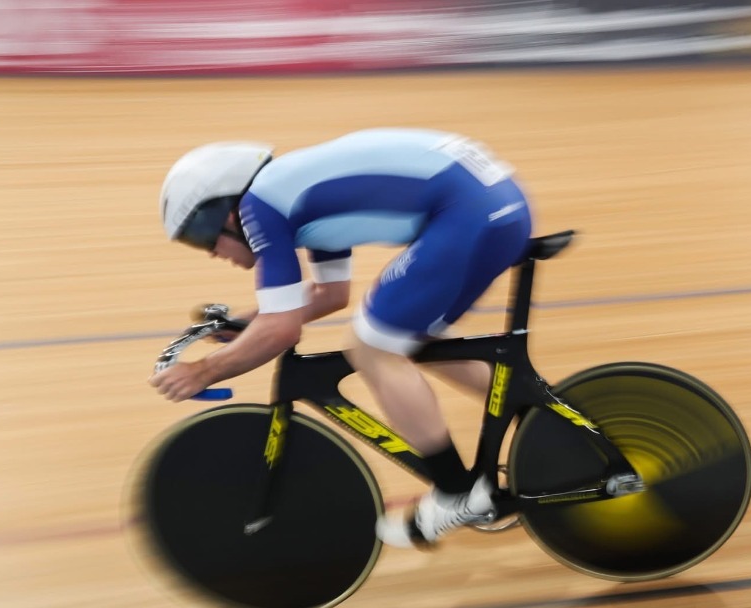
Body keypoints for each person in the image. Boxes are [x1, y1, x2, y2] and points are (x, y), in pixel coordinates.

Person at [148, 128, 533, 549]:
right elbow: (328, 294)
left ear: (225, 212)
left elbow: (282, 328)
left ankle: (457, 492)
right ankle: (543, 427)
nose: (210, 252)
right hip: (494, 206)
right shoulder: (296, 198)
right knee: (410, 335)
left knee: (371, 347)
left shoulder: (259, 207)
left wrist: (203, 372)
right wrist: (242, 326)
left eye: (200, 235)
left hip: (468, 212)